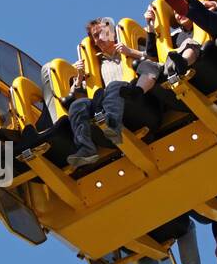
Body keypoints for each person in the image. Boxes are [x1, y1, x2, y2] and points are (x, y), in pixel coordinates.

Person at [60, 17, 162, 168]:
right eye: (95, 36)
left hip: (131, 97)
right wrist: (80, 76)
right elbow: (73, 96)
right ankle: (86, 148)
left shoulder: (128, 48)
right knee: (78, 105)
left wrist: (130, 52)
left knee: (114, 86)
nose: (100, 38)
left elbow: (155, 59)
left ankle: (112, 126)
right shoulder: (94, 65)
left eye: (103, 33)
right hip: (105, 103)